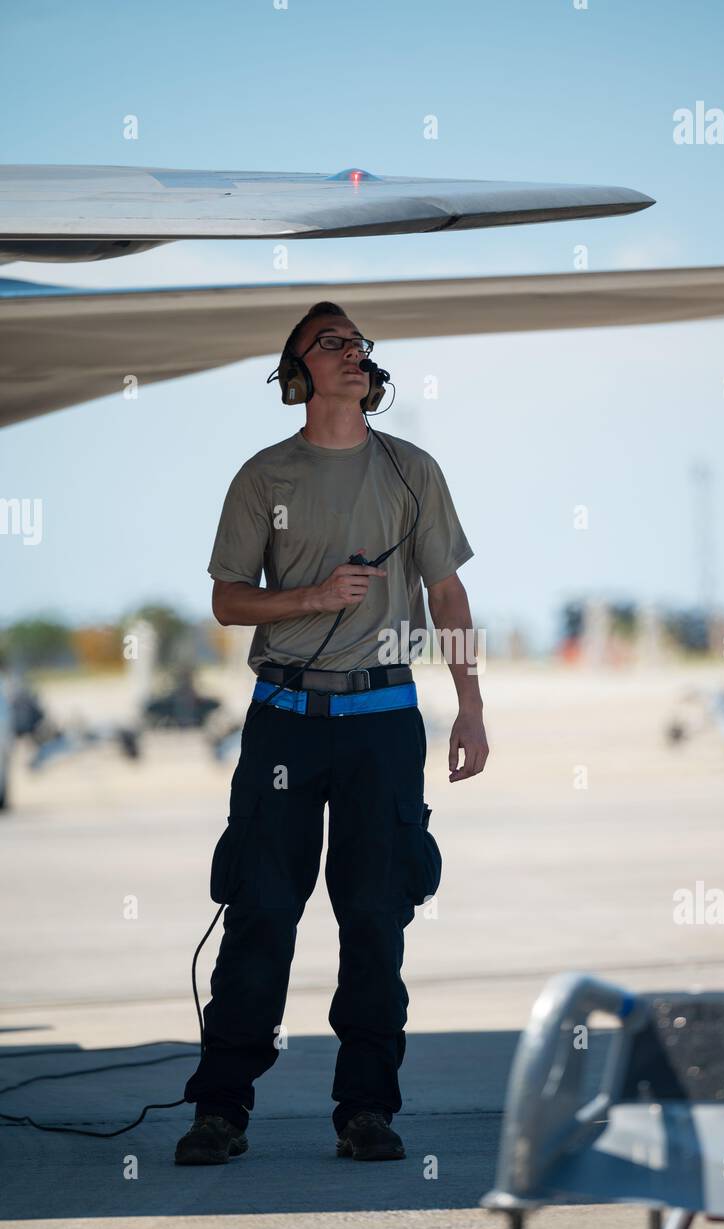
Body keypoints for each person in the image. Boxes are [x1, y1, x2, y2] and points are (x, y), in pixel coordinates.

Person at [176, 301, 488, 1164]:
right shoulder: (263, 478)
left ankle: (365, 1111)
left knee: (376, 918)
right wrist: (311, 598)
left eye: (359, 344)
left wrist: (470, 703)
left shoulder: (413, 470)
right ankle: (220, 1111)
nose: (354, 354)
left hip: (385, 721)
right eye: (333, 344)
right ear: (297, 371)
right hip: (285, 721)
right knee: (262, 913)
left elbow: (449, 597)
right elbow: (228, 600)